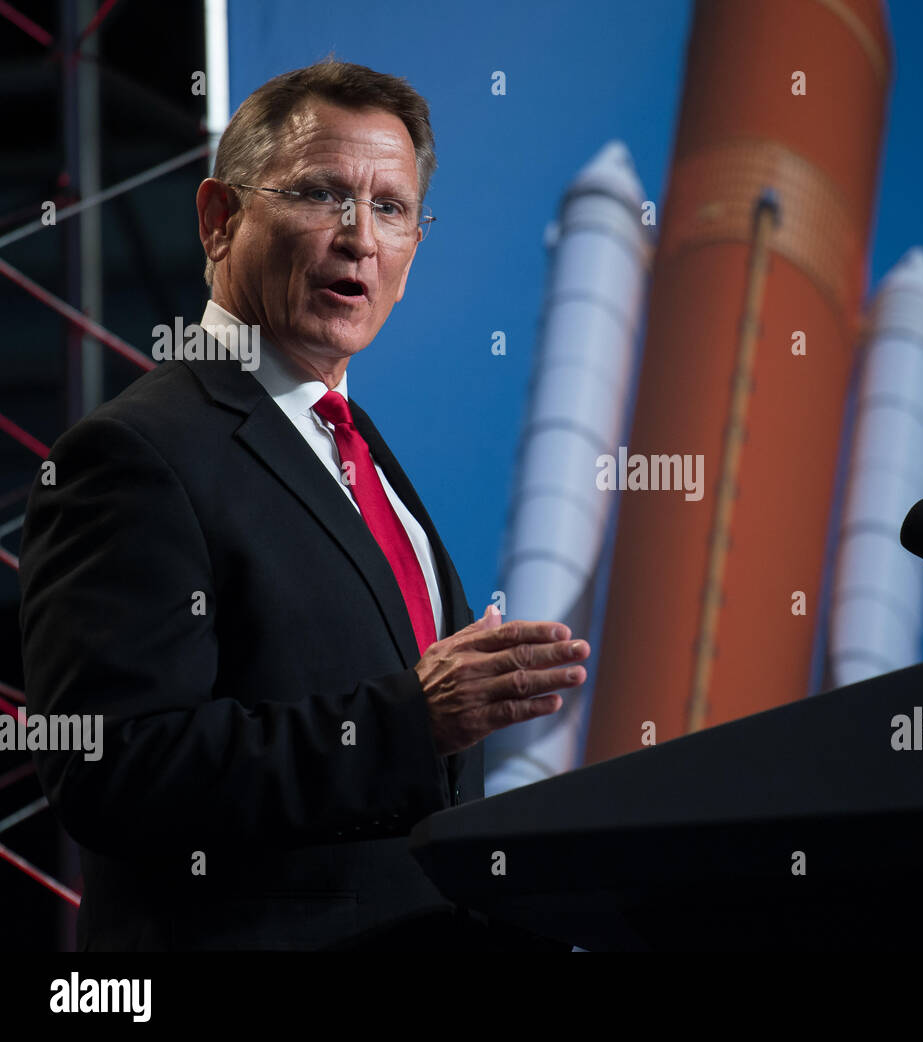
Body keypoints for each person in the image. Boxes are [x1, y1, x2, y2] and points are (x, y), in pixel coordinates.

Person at [18, 59, 589, 951]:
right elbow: (110, 766)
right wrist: (410, 720)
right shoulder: (134, 456)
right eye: (323, 194)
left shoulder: (355, 449)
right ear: (219, 220)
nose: (360, 236)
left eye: (392, 207)